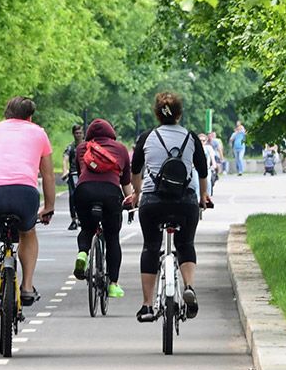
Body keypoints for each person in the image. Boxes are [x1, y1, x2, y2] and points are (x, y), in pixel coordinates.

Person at [0, 96, 56, 333]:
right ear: (30, 116)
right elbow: (47, 175)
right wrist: (48, 207)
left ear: (6, 113)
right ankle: (26, 287)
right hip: (24, 194)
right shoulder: (39, 133)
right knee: (27, 233)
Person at [132, 90, 212, 322]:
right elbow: (203, 171)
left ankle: (147, 305)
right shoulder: (191, 137)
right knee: (186, 243)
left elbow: (135, 171)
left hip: (153, 201)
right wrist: (203, 196)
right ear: (179, 114)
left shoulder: (147, 137)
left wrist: (137, 195)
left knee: (150, 246)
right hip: (184, 201)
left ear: (157, 114)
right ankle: (189, 286)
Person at [71, 117, 135, 298]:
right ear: (111, 133)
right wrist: (129, 202)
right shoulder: (121, 149)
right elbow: (126, 182)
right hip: (110, 193)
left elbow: (80, 171)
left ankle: (83, 253)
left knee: (87, 228)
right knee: (112, 236)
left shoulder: (82, 148)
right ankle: (113, 284)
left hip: (84, 192)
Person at [62, 124, 84, 229]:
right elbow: (65, 158)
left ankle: (84, 217)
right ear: (73, 134)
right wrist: (65, 170)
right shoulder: (71, 147)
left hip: (84, 174)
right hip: (74, 174)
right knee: (73, 196)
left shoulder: (87, 146)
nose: (78, 135)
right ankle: (74, 219)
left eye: (80, 133)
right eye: (76, 133)